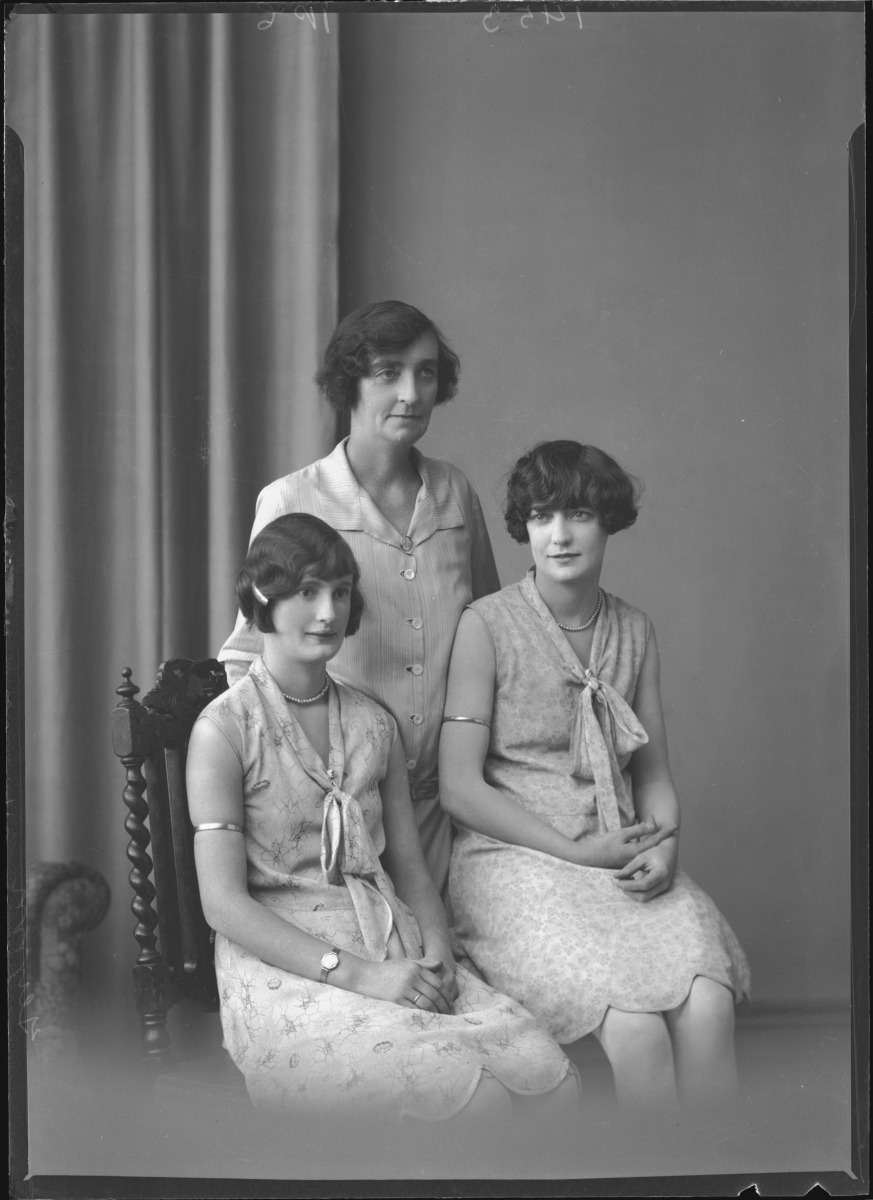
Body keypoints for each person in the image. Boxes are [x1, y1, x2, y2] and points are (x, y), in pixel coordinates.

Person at [188, 513, 576, 1122]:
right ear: (261, 599)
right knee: (470, 1099)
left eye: (340, 592)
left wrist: (438, 947)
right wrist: (363, 977)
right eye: (306, 591)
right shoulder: (223, 731)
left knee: (539, 1077)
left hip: (389, 935)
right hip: (283, 961)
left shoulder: (374, 723)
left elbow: (411, 870)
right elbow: (224, 905)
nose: (328, 611)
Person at [439, 440, 751, 1117]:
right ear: (523, 524)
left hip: (616, 852)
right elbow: (459, 789)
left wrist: (664, 849)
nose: (559, 534)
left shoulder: (633, 629)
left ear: (607, 521)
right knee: (637, 1033)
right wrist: (575, 853)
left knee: (709, 1006)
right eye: (543, 515)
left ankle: (719, 1174)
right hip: (513, 861)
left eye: (578, 514)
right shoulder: (486, 625)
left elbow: (655, 775)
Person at [218, 301, 500, 901]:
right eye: (388, 373)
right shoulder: (292, 498)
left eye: (426, 373)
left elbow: (494, 635)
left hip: (456, 809)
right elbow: (247, 659)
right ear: (350, 382)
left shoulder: (455, 494)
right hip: (343, 817)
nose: (411, 392)